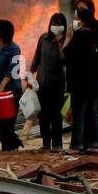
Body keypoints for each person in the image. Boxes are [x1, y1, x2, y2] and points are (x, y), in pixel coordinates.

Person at [64, 0, 98, 153]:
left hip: (81, 78)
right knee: (92, 110)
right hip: (94, 76)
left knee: (79, 111)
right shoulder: (97, 27)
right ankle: (95, 142)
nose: (79, 11)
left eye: (82, 8)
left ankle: (77, 144)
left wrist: (68, 37)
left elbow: (67, 52)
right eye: (78, 8)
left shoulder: (82, 32)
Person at [29, 13, 67, 151]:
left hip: (57, 83)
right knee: (43, 114)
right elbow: (37, 57)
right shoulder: (43, 38)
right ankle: (46, 143)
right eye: (54, 23)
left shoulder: (65, 41)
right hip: (42, 82)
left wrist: (59, 44)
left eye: (58, 24)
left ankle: (57, 144)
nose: (55, 27)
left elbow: (64, 60)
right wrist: (31, 74)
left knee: (56, 114)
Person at [0, 19, 23, 151]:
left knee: (8, 122)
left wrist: (2, 85)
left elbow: (13, 68)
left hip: (11, 90)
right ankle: (13, 143)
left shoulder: (14, 48)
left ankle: (9, 148)